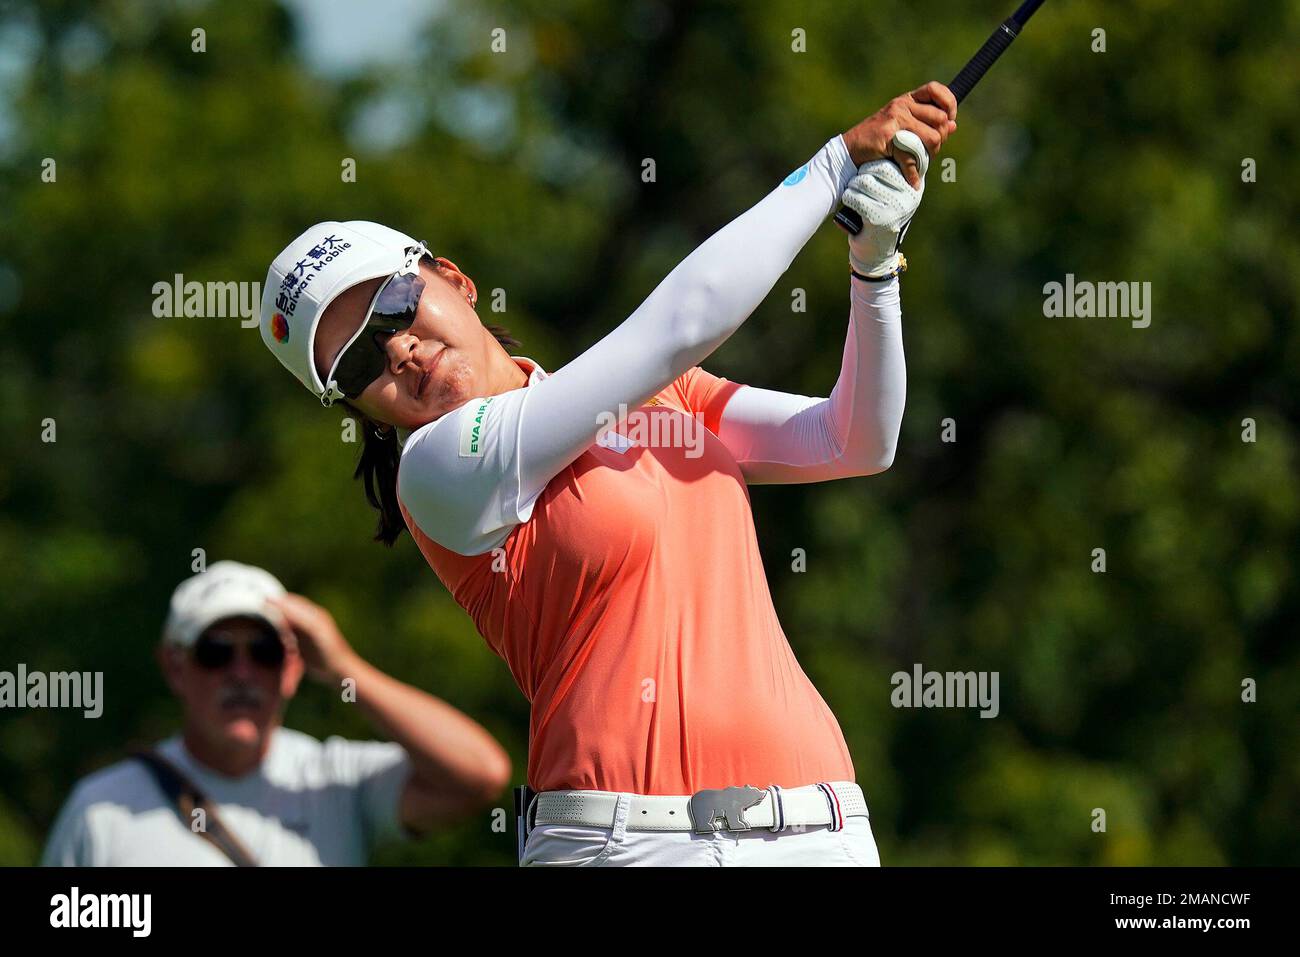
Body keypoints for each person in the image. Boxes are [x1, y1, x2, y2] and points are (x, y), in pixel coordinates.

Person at [256, 83, 957, 866]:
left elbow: (854, 439)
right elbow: (681, 325)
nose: (397, 350)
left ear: (452, 277)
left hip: (819, 828)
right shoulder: (438, 471)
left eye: (391, 306)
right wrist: (834, 164)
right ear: (355, 404)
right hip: (620, 845)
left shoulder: (659, 392)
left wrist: (874, 267)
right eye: (356, 363)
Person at [41, 560, 510, 866]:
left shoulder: (335, 779)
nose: (241, 673)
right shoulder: (99, 810)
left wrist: (344, 667)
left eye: (264, 651)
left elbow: (479, 774)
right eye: (216, 651)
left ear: (291, 669)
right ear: (175, 667)